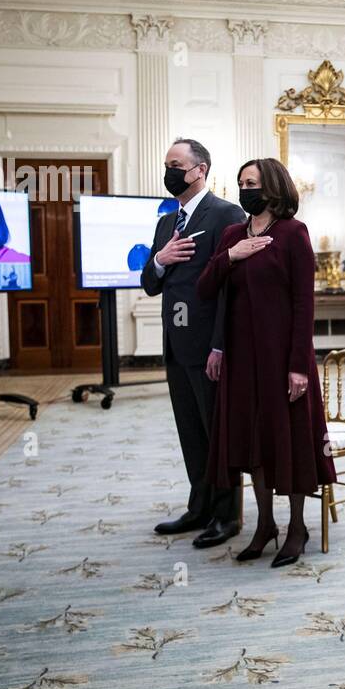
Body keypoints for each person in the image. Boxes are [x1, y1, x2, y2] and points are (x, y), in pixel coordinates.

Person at [197, 158, 336, 567]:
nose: (245, 189)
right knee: (253, 442)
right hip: (242, 359)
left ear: (271, 187)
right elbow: (207, 288)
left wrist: (298, 365)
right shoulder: (231, 235)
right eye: (240, 183)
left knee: (288, 440)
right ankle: (264, 525)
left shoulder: (294, 233)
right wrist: (232, 256)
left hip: (283, 359)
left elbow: (302, 302)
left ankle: (296, 527)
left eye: (251, 183)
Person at [142, 138, 244, 548]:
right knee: (190, 430)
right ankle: (199, 505)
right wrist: (160, 260)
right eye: (166, 164)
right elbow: (149, 284)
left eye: (176, 164)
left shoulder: (227, 215)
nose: (169, 171)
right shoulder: (166, 223)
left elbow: (230, 289)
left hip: (209, 347)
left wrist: (221, 345)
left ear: (199, 169)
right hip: (175, 344)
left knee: (217, 430)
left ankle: (227, 515)